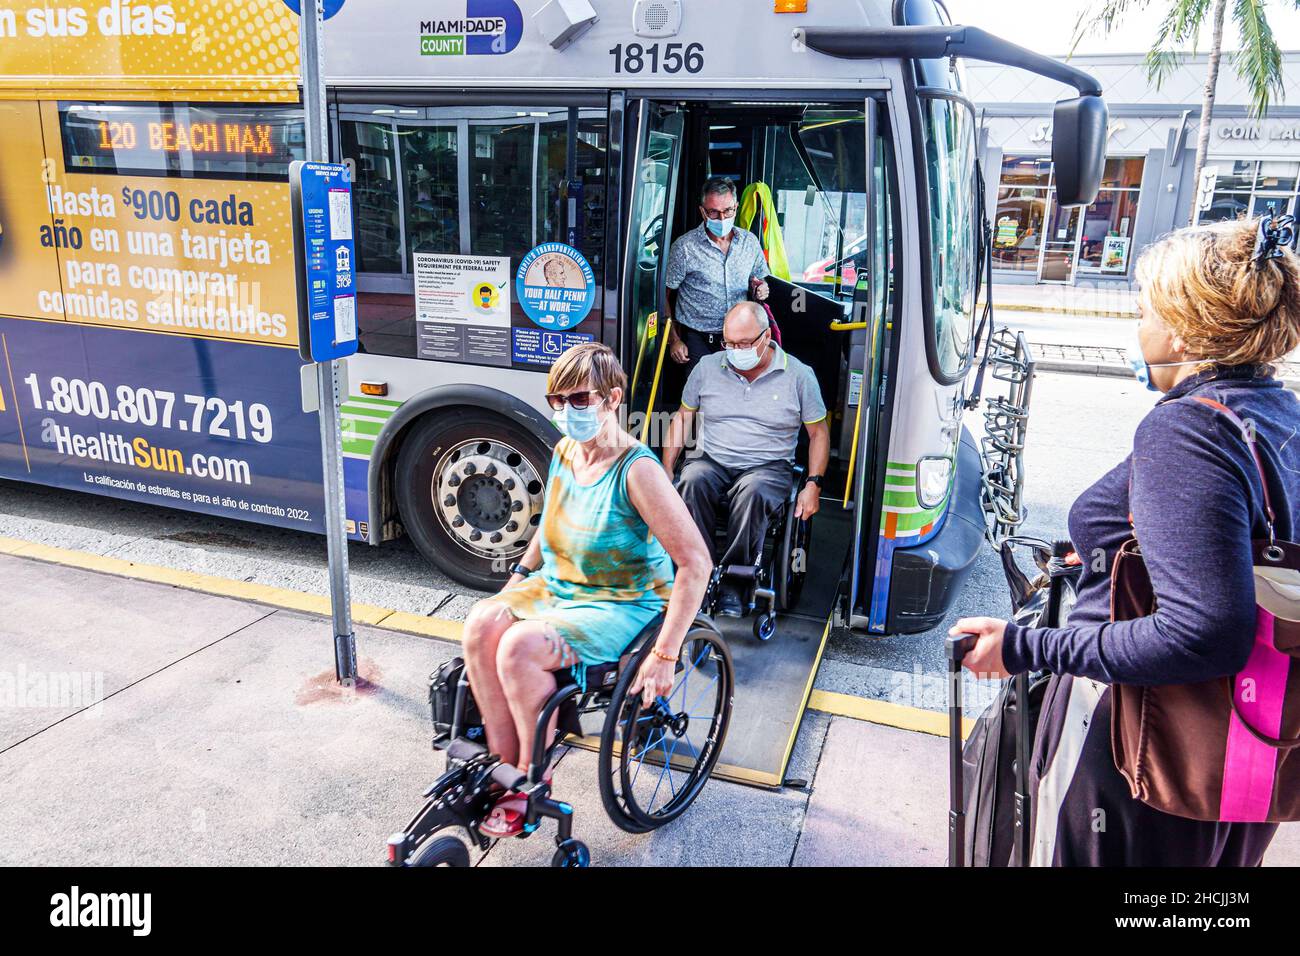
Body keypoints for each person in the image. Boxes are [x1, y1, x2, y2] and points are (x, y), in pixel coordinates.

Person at [952, 215, 1300, 866]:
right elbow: (1246, 550)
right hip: (1246, 747)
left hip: (1145, 751)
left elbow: (1205, 631)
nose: (1138, 329)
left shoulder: (1191, 431)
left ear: (1182, 326)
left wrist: (1025, 647)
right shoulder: (1277, 414)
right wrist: (1116, 552)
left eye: (1144, 311)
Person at [460, 343, 712, 838]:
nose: (565, 411)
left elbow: (695, 563)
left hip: (620, 600)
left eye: (578, 400)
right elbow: (548, 526)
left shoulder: (637, 470)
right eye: (557, 400)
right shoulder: (565, 451)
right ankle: (500, 760)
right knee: (480, 624)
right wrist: (513, 584)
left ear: (612, 397)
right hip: (560, 584)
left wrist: (665, 654)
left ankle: (532, 780)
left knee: (519, 649)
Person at [662, 301, 830, 616]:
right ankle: (698, 572)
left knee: (752, 492)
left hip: (767, 466)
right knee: (690, 481)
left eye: (743, 344)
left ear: (766, 336)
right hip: (712, 459)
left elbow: (819, 434)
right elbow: (683, 418)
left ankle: (733, 586)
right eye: (729, 343)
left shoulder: (798, 376)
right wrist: (666, 466)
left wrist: (813, 484)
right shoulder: (708, 367)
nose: (735, 350)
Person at [664, 176, 771, 376]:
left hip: (740, 339)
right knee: (700, 398)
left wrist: (761, 288)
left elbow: (759, 279)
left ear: (736, 207)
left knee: (736, 396)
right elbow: (664, 294)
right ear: (702, 212)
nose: (722, 219)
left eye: (727, 211)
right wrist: (674, 340)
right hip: (698, 340)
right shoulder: (685, 247)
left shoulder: (749, 242)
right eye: (713, 212)